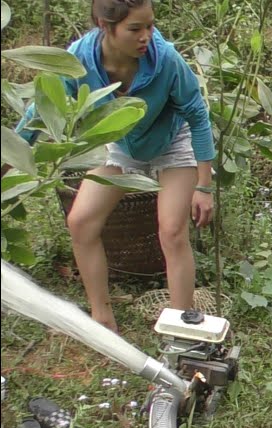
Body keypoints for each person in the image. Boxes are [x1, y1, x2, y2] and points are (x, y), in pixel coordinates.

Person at [16, 0, 215, 332]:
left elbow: (197, 115)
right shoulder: (79, 58)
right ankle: (102, 319)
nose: (146, 37)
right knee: (80, 222)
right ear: (104, 26)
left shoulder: (165, 60)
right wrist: (11, 158)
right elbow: (40, 109)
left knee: (172, 231)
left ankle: (183, 331)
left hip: (172, 143)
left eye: (150, 26)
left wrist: (204, 186)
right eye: (135, 29)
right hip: (122, 144)